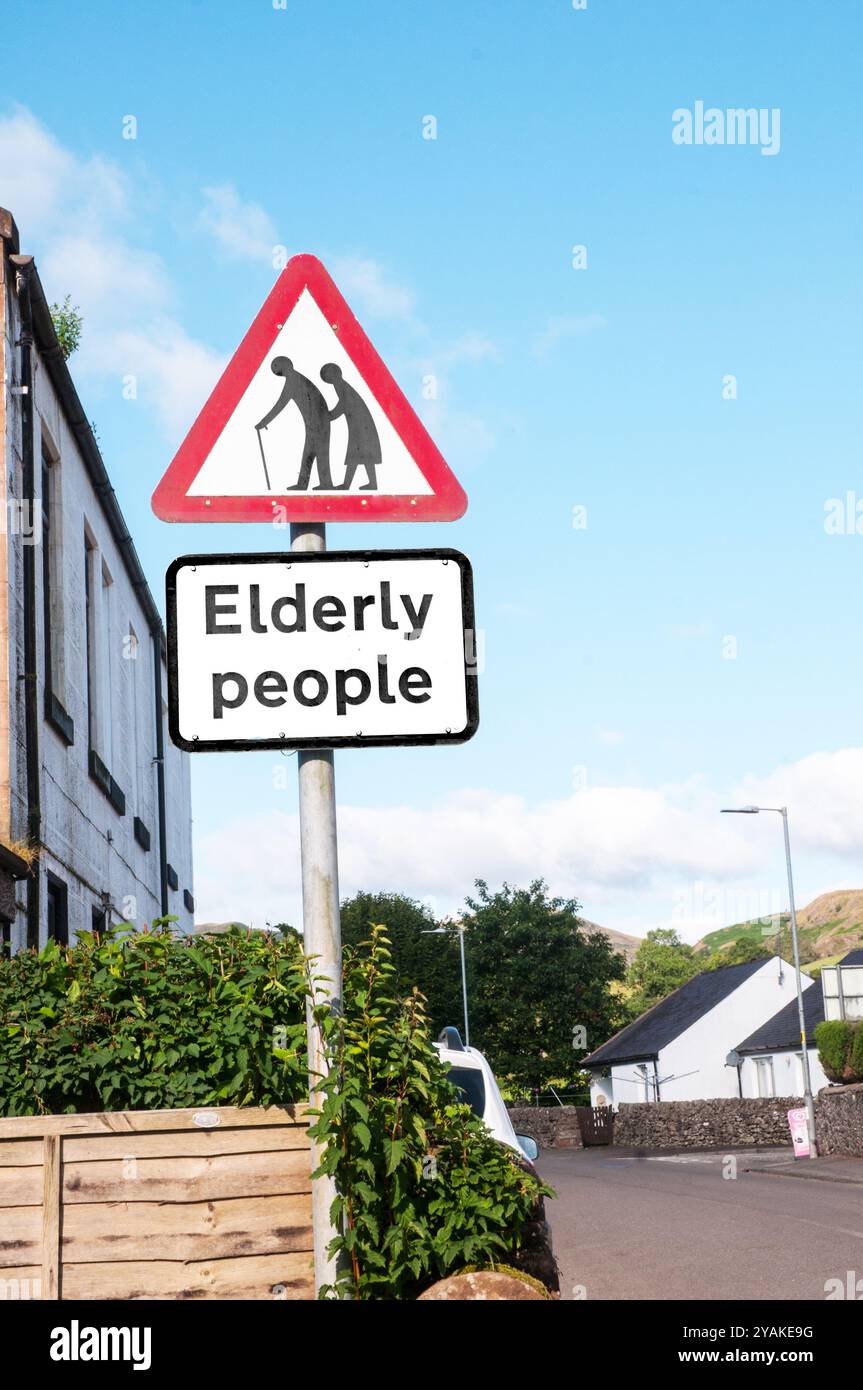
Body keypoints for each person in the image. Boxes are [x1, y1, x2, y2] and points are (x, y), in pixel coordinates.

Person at [255, 357, 334, 490]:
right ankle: (308, 484)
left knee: (318, 453)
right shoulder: (296, 378)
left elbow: (280, 405)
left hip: (319, 423)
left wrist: (263, 423)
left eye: (275, 365)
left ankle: (323, 484)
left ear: (284, 364)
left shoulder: (293, 380)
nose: (274, 368)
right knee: (310, 453)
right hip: (316, 422)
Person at [320, 363, 381, 490]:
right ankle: (353, 484)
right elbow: (344, 404)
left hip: (361, 425)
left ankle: (353, 485)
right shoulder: (340, 385)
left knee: (359, 455)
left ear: (335, 373)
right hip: (359, 424)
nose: (327, 378)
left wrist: (329, 416)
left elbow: (343, 404)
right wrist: (330, 416)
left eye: (327, 374)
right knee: (359, 455)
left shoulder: (341, 385)